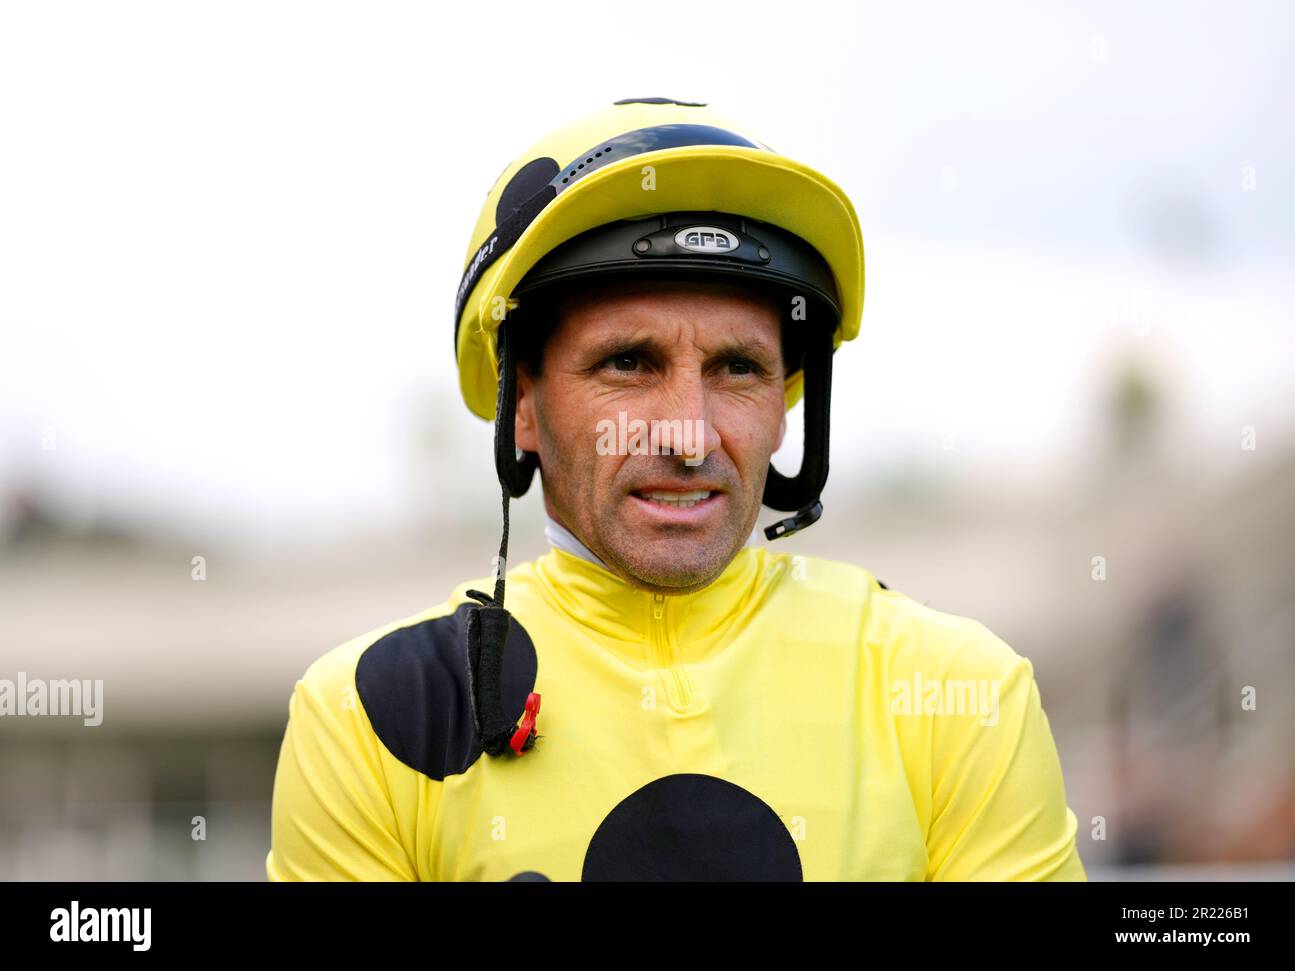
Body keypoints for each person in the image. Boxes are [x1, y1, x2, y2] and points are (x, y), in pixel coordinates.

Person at [266, 97, 1086, 881]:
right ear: (523, 404)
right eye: (628, 362)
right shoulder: (365, 716)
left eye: (738, 368)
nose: (688, 434)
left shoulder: (959, 690)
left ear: (783, 412)